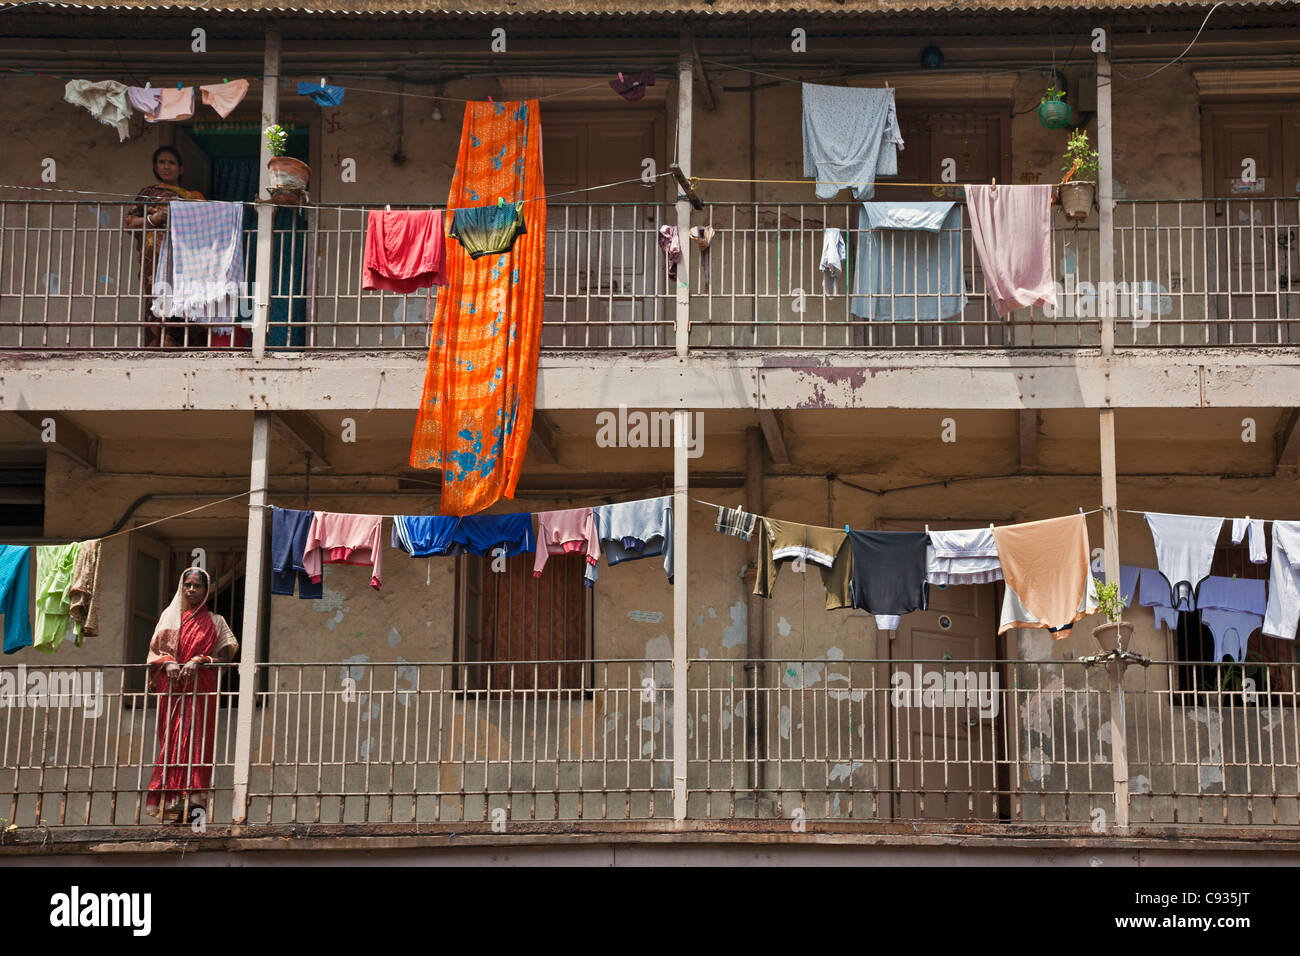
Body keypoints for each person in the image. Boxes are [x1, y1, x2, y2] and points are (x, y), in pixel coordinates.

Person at [144, 567, 238, 824]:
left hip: (201, 692)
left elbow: (226, 658)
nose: (191, 590)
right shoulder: (169, 618)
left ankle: (195, 811)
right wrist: (167, 661)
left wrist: (201, 659)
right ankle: (173, 807)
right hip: (172, 692)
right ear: (181, 587)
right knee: (172, 746)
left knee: (198, 746)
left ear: (206, 590)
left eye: (197, 586)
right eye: (187, 585)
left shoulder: (217, 622)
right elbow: (153, 654)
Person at [124, 146, 205, 348]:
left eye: (171, 162)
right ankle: (157, 346)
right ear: (155, 167)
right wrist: (154, 219)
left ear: (181, 169)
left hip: (185, 261)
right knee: (158, 301)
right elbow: (129, 223)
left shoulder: (193, 197)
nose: (166, 166)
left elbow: (204, 226)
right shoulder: (148, 194)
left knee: (186, 303)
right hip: (156, 259)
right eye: (161, 162)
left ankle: (187, 348)